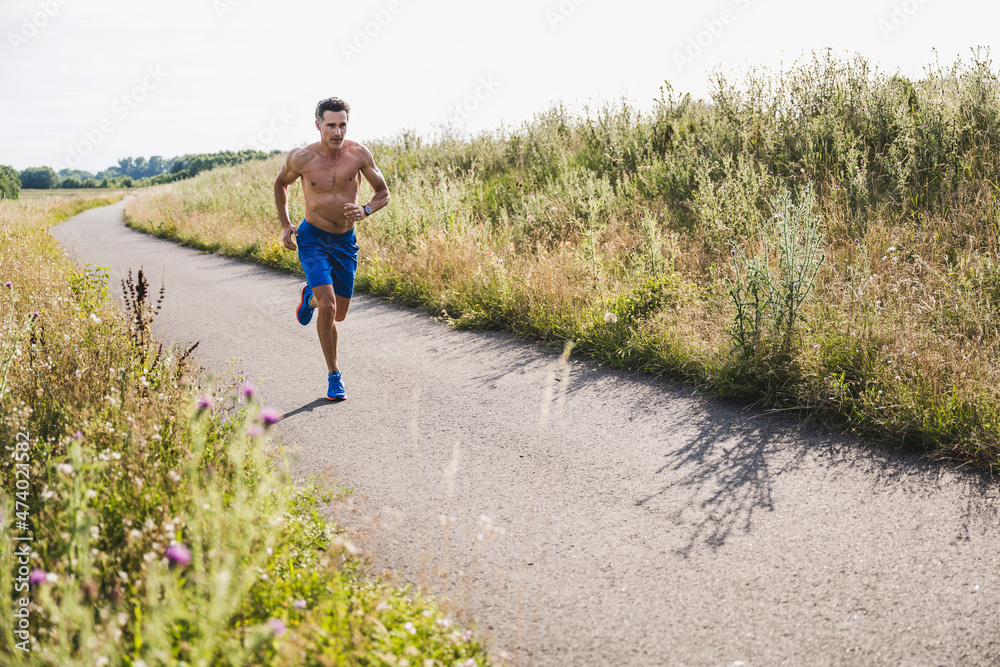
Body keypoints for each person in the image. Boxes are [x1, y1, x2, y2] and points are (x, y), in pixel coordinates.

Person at [274, 97, 390, 400]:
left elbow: (383, 193)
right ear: (318, 125)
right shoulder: (302, 158)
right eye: (331, 125)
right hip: (312, 238)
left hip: (344, 242)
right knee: (330, 308)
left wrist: (366, 210)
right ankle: (334, 375)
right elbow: (280, 185)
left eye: (342, 125)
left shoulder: (358, 154)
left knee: (339, 314)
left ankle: (309, 297)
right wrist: (287, 224)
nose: (337, 132)